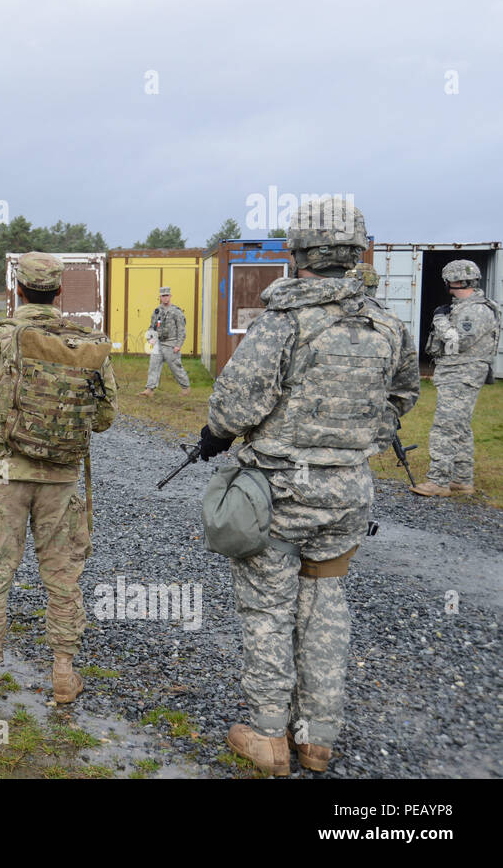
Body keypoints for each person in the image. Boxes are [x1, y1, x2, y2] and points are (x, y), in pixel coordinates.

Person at [199, 198, 419, 774]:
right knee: (324, 607)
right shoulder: (388, 324)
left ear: (298, 254)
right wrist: (359, 438)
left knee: (268, 609)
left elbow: (234, 405)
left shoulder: (283, 320)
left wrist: (216, 435)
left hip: (279, 493)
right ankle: (318, 738)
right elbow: (401, 398)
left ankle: (269, 736)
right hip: (348, 492)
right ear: (356, 253)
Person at [0, 251, 117, 706]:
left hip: (6, 472)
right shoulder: (87, 344)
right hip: (61, 478)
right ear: (58, 291)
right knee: (62, 577)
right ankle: (63, 674)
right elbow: (104, 417)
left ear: (18, 289)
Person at [411, 260, 501, 497]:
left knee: (445, 428)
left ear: (455, 280)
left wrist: (440, 319)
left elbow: (457, 341)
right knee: (460, 428)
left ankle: (438, 481)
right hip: (457, 375)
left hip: (462, 375)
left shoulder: (476, 309)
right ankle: (461, 480)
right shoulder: (464, 307)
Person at [140, 286, 190, 397]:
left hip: (171, 344)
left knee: (175, 367)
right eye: (163, 296)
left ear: (170, 296)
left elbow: (181, 330)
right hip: (158, 344)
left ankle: (185, 387)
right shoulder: (157, 311)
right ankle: (149, 389)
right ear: (160, 297)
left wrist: (178, 345)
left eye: (167, 295)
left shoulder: (176, 312)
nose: (165, 298)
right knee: (153, 365)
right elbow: (152, 326)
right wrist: (151, 338)